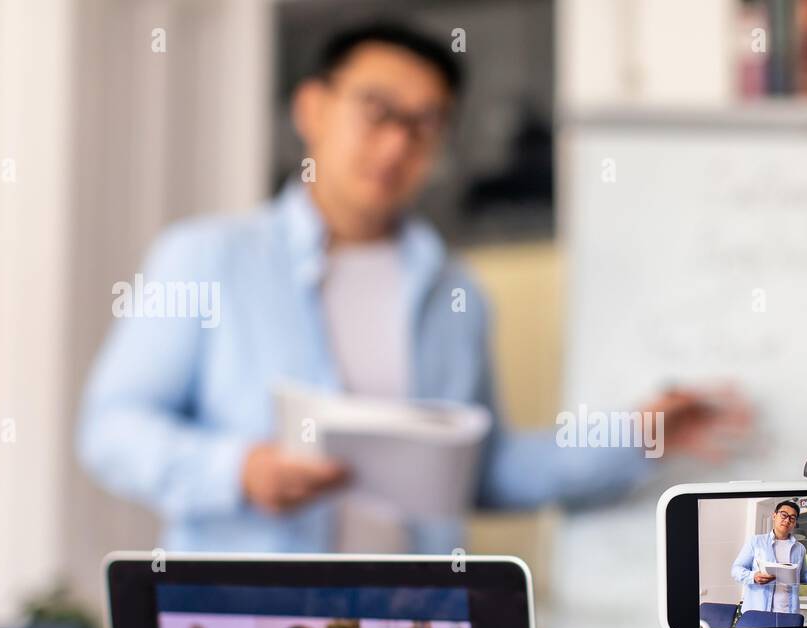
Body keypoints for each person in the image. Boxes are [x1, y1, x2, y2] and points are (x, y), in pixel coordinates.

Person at [76, 20, 746, 556]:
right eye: (378, 111)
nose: (397, 145)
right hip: (248, 626)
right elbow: (111, 429)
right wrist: (238, 469)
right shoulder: (208, 257)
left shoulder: (455, 291)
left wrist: (636, 436)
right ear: (312, 107)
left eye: (424, 125)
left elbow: (486, 470)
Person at [731, 500, 807, 615]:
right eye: (784, 515)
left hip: (788, 613)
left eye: (792, 518)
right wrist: (754, 576)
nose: (787, 520)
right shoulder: (756, 542)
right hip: (758, 612)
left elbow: (803, 577)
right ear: (774, 516)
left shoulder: (800, 549)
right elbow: (736, 570)